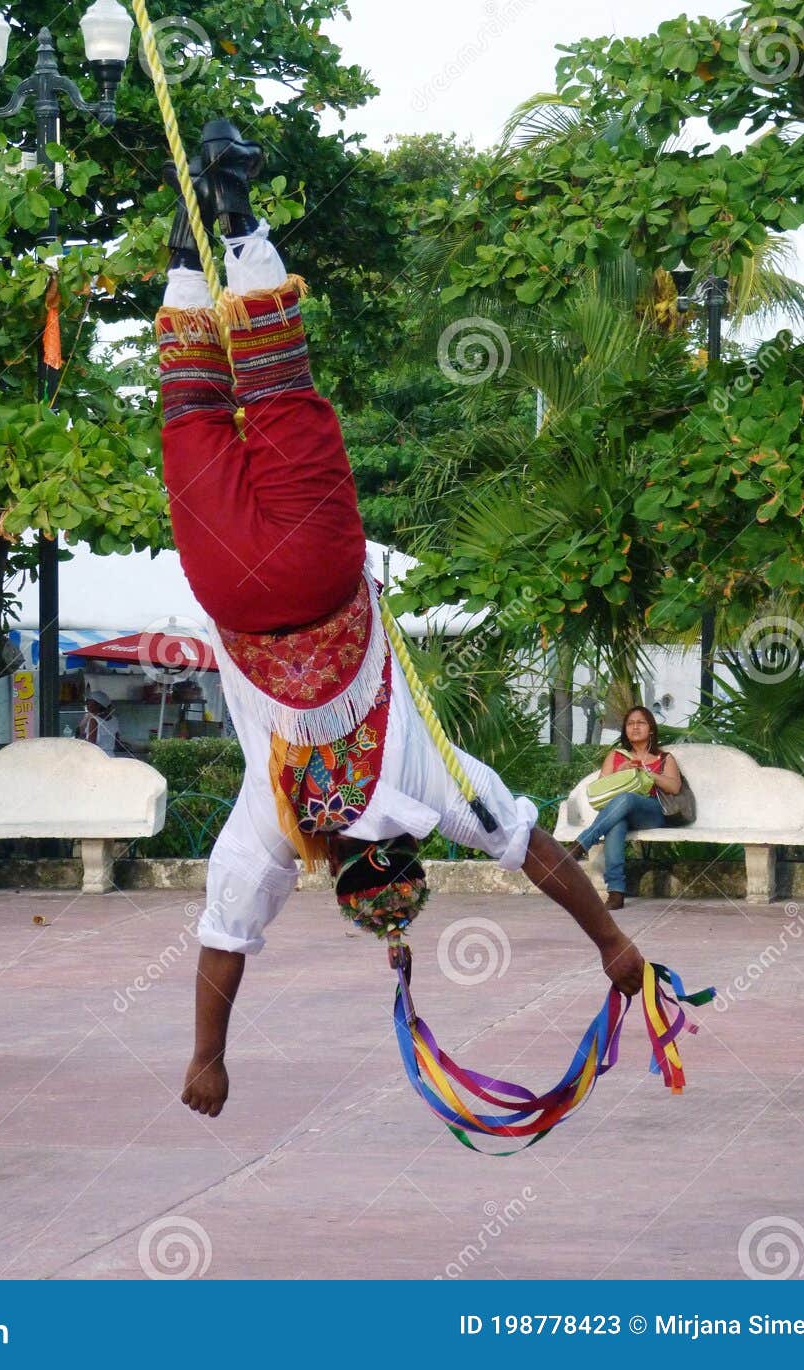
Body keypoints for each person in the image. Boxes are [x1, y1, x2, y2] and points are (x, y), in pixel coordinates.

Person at [156, 122, 646, 1121]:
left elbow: (533, 847)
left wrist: (612, 940)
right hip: (237, 593)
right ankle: (184, 256)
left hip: (324, 567)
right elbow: (224, 939)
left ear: (408, 853)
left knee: (283, 393)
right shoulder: (277, 829)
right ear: (335, 871)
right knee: (195, 410)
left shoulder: (427, 784)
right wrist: (208, 1060)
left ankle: (237, 220)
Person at [570, 704, 683, 910]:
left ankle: (581, 844)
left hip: (652, 812)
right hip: (620, 812)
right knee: (617, 823)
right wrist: (621, 770)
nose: (635, 727)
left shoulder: (664, 758)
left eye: (640, 723)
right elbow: (601, 787)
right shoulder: (616, 756)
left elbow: (674, 787)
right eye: (630, 724)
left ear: (651, 729)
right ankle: (616, 892)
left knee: (627, 799)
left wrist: (649, 773)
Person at [77, 690, 120, 756]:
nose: (87, 703)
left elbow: (91, 745)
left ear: (98, 705)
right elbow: (117, 740)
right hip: (111, 756)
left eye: (89, 702)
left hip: (99, 757)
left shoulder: (94, 720)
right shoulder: (114, 719)